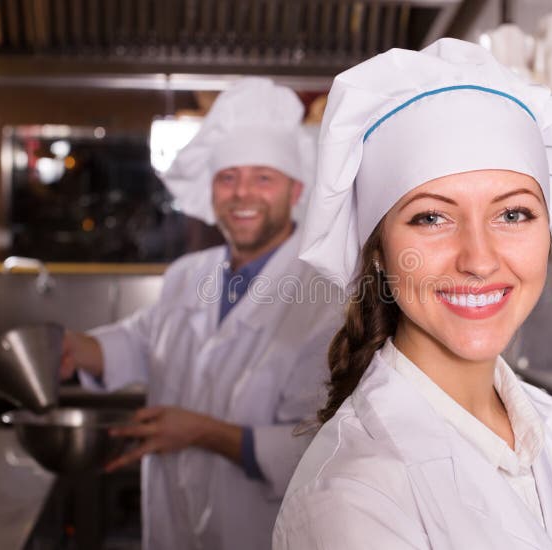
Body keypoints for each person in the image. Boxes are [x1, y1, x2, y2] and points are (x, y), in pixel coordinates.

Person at [273, 39, 552, 549]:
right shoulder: (352, 497)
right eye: (432, 217)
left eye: (512, 214)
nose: (479, 259)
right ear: (379, 251)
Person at [61, 77, 342, 550]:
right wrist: (68, 348)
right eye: (228, 178)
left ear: (296, 191)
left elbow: (323, 447)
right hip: (171, 524)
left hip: (256, 530)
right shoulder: (188, 274)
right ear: (211, 194)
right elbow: (140, 341)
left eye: (263, 178)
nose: (242, 193)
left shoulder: (327, 295)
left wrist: (203, 433)